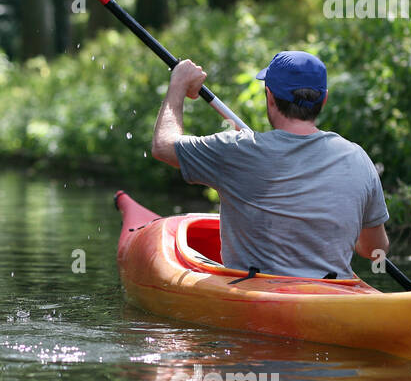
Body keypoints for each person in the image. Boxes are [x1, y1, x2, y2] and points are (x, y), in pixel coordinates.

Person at [150, 50, 390, 279]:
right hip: (334, 294)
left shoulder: (236, 150)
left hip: (259, 296)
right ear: (323, 99)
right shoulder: (358, 158)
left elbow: (163, 146)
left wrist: (178, 84)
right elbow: (375, 250)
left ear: (270, 96)